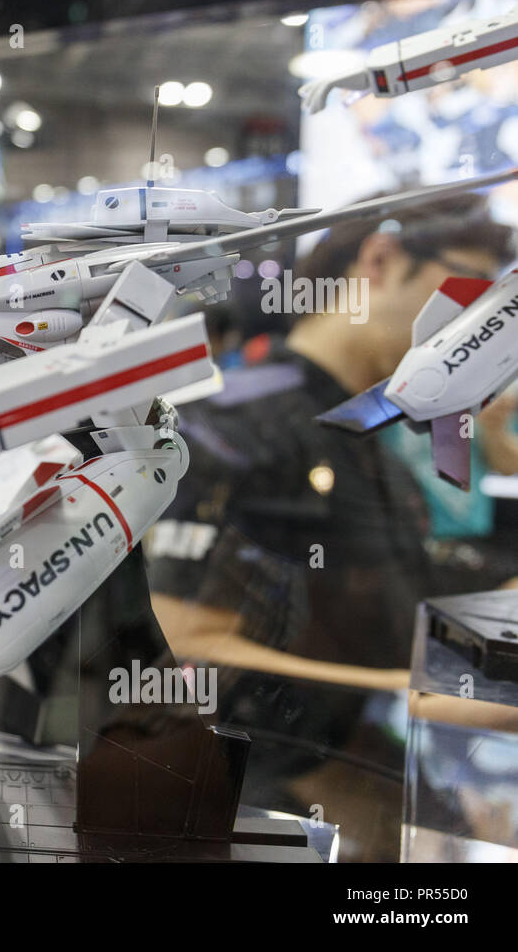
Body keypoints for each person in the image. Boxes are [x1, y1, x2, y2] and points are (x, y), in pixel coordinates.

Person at [145, 192, 517, 860]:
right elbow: (186, 649)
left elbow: (384, 607)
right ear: (379, 259)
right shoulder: (238, 426)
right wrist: (422, 699)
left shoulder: (368, 444)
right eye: (474, 294)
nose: (484, 331)